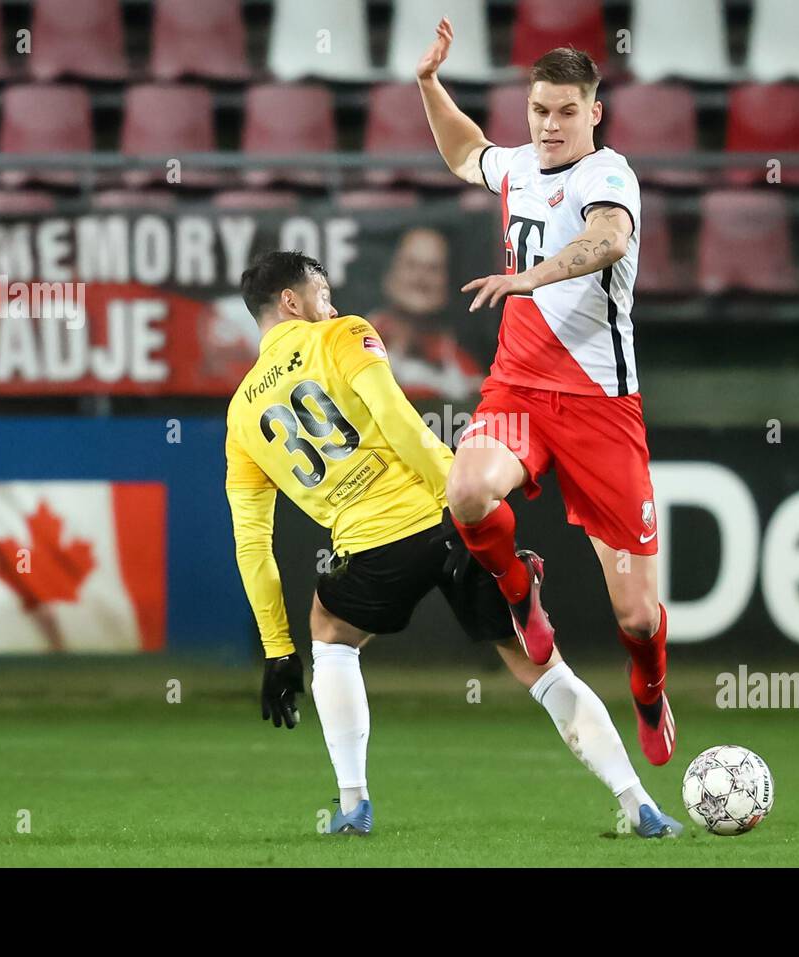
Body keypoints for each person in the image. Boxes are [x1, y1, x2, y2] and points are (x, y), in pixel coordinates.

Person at [224, 250, 682, 837]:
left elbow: (252, 545)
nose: (331, 304)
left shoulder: (240, 415)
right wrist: (462, 494)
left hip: (372, 549)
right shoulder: (344, 334)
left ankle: (352, 805)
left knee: (329, 634)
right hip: (446, 522)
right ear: (292, 301)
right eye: (322, 293)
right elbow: (397, 420)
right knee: (542, 670)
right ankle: (637, 804)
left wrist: (276, 651)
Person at [415, 19, 675, 766]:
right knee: (465, 493)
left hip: (600, 409)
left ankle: (649, 686)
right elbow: (467, 152)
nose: (550, 124)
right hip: (519, 393)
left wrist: (532, 276)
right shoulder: (520, 165)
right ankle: (519, 585)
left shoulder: (608, 175)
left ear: (594, 112)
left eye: (566, 110)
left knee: (634, 612)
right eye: (539, 110)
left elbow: (609, 240)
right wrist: (429, 86)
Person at [367, 227, 484, 401]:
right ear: (389, 275)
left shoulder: (464, 368)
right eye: (411, 265)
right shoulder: (353, 342)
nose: (420, 278)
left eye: (433, 269)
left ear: (448, 284)